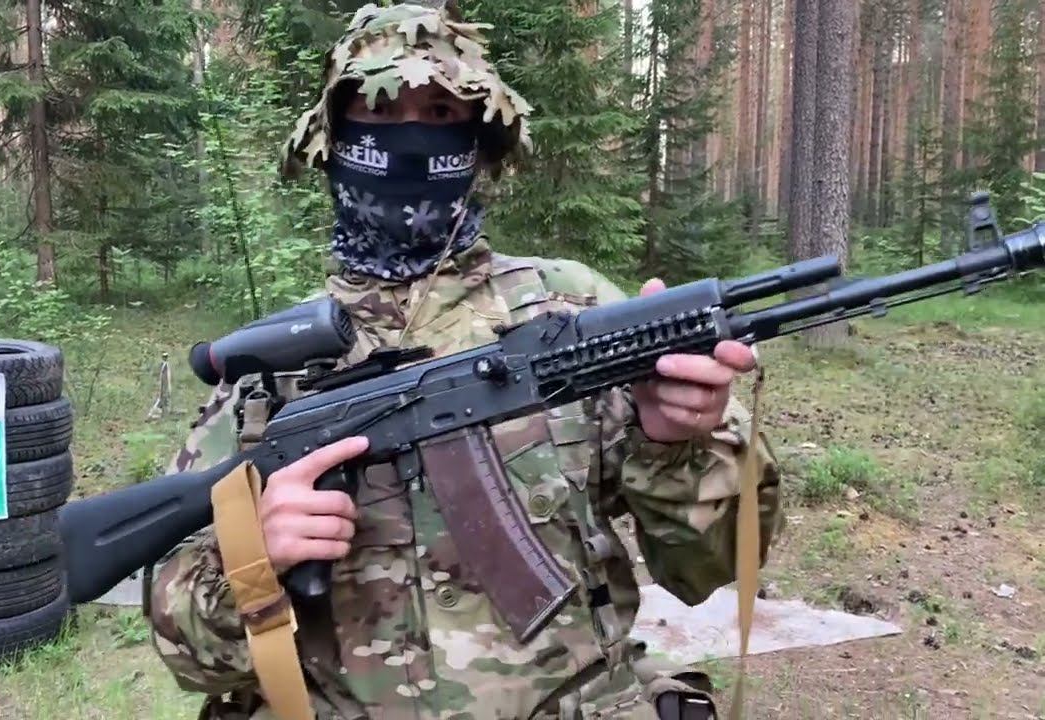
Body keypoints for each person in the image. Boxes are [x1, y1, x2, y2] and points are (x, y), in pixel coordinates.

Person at [148, 4, 783, 719]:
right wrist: (254, 561)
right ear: (334, 136)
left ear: (481, 139)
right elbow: (185, 651)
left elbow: (714, 567)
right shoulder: (270, 365)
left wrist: (677, 445)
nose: (411, 138)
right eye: (379, 113)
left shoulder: (571, 313)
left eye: (441, 112)